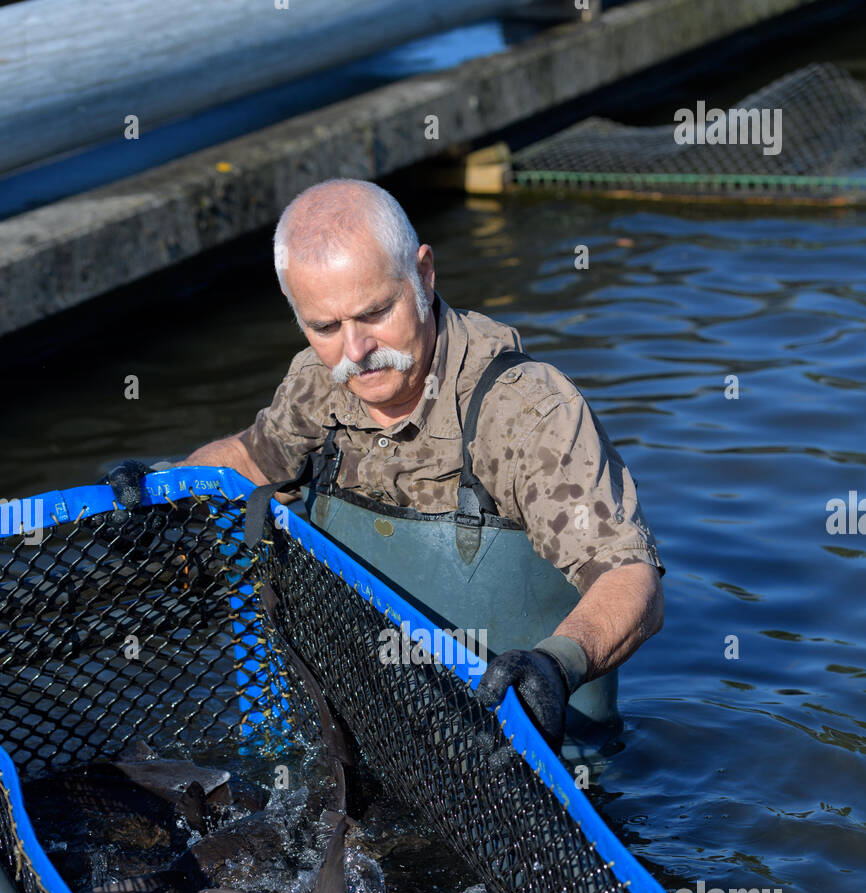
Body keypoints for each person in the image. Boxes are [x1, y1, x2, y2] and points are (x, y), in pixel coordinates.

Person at [132, 179, 665, 761]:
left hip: (528, 750)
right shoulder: (318, 380)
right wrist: (161, 485)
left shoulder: (526, 412)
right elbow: (249, 460)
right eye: (325, 327)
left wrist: (555, 666)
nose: (355, 352)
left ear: (424, 275)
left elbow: (630, 579)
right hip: (377, 731)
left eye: (375, 313)